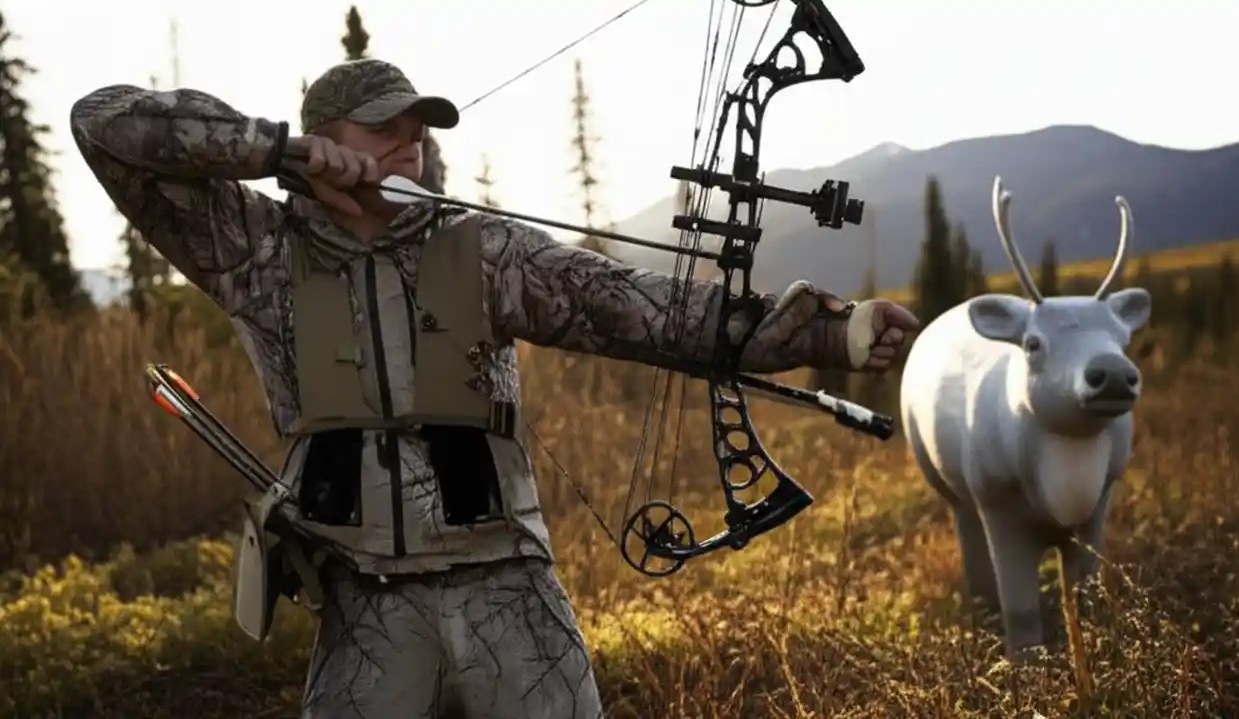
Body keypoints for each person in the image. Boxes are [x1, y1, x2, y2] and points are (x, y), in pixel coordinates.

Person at [70, 58, 920, 719]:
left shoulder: (483, 250)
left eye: (418, 130)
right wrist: (272, 150)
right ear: (326, 141)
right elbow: (101, 124)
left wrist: (827, 332)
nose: (410, 145)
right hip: (363, 604)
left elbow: (646, 312)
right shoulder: (254, 253)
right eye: (382, 130)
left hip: (509, 591)